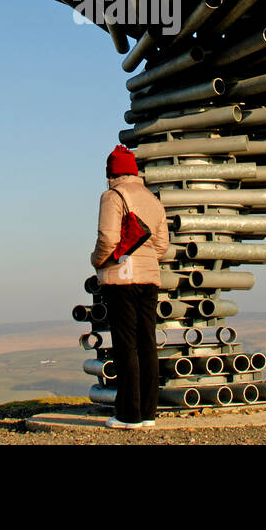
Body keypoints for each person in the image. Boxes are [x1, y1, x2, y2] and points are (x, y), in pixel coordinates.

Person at [90, 144, 169, 429]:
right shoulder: (152, 198)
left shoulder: (113, 196)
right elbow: (162, 245)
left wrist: (96, 261)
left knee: (125, 345)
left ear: (112, 173)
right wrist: (146, 260)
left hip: (121, 280)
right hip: (149, 279)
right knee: (147, 343)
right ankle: (148, 412)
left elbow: (108, 239)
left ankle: (128, 414)